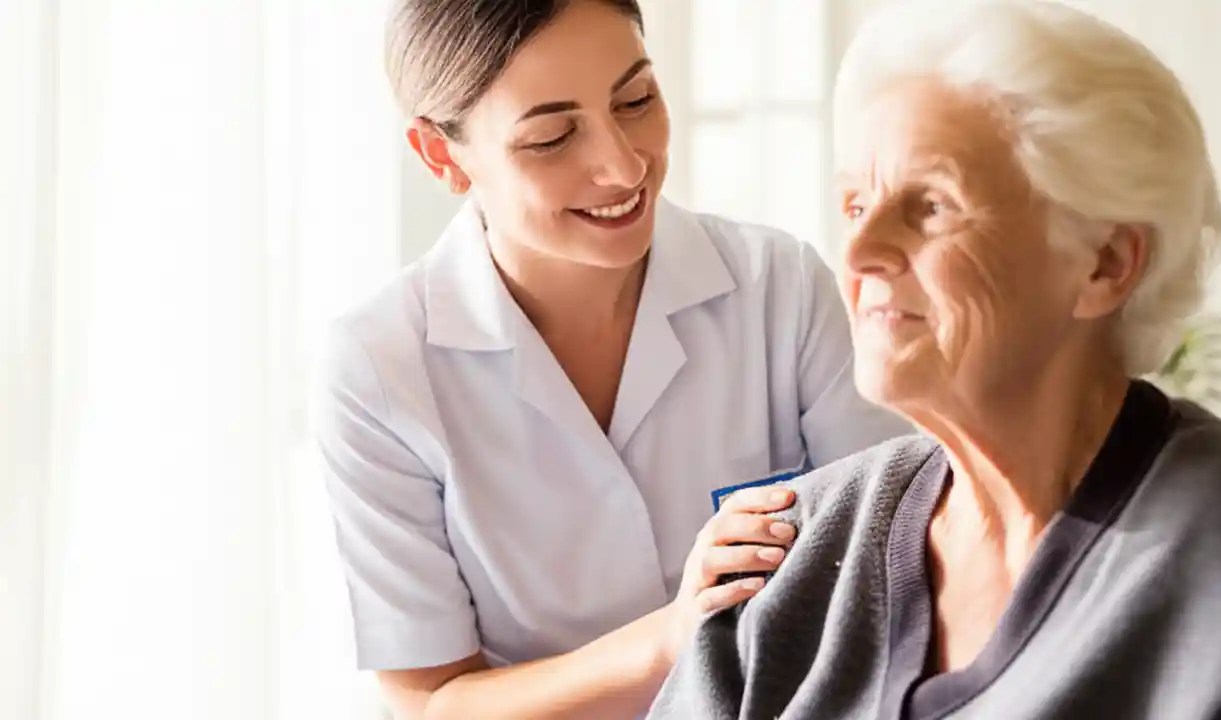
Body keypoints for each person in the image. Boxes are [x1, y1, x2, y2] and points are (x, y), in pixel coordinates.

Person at [648, 1, 1221, 718]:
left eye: (932, 207)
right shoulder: (791, 548)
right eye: (856, 206)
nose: (857, 254)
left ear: (1103, 263)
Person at [314, 1, 905, 718]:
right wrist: (675, 637)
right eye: (551, 138)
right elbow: (434, 703)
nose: (623, 165)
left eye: (636, 100)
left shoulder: (777, 285)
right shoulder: (381, 365)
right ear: (443, 156)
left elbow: (898, 566)